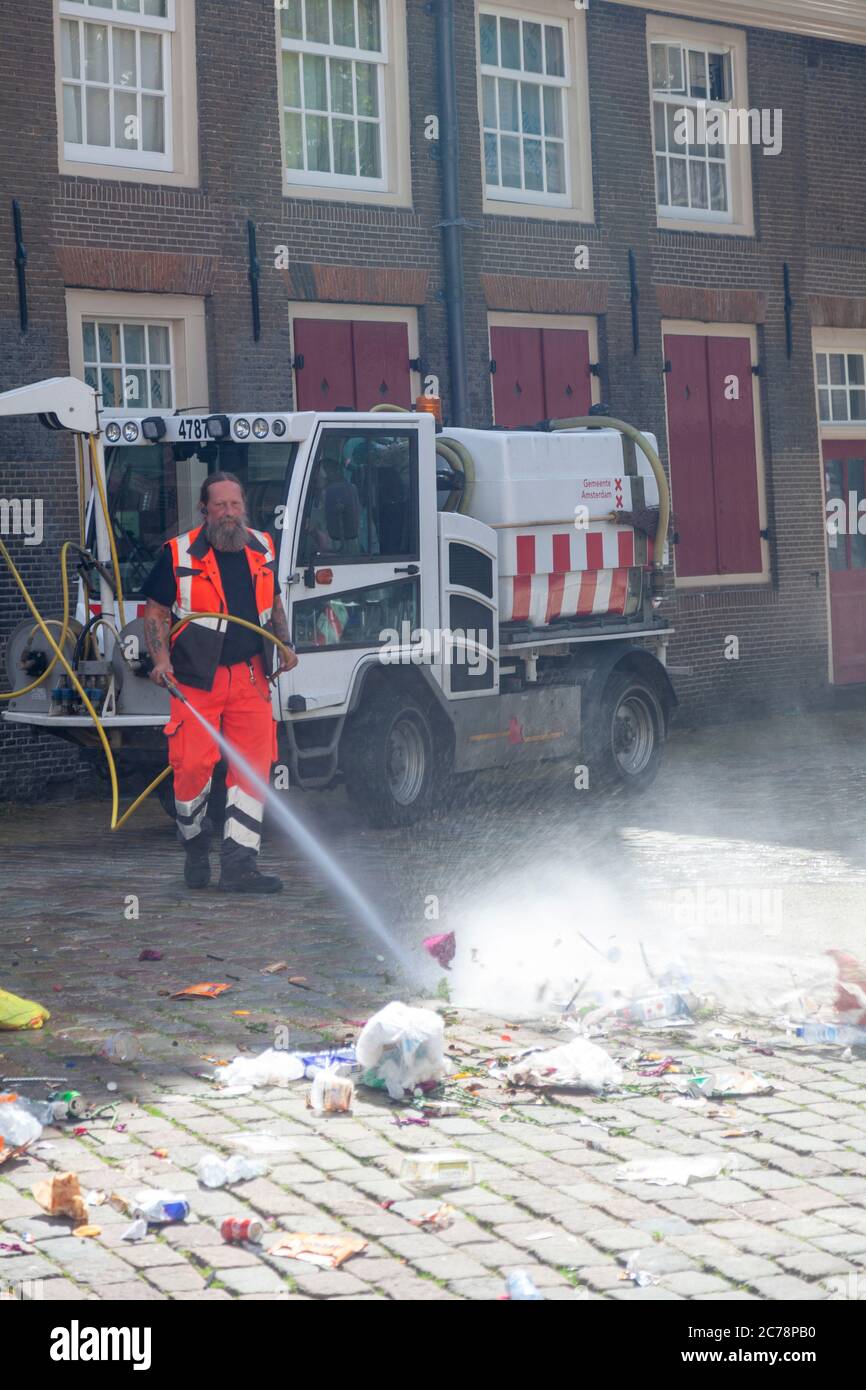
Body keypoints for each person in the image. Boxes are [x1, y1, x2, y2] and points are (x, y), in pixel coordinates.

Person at [141, 472, 298, 893]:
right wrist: (161, 662)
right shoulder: (178, 553)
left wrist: (283, 643)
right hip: (195, 680)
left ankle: (239, 865)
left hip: (250, 676)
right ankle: (195, 844)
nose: (229, 513)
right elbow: (155, 611)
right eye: (220, 506)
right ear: (204, 510)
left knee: (252, 771)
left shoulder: (262, 545)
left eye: (235, 505)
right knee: (192, 767)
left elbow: (274, 600)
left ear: (243, 506)